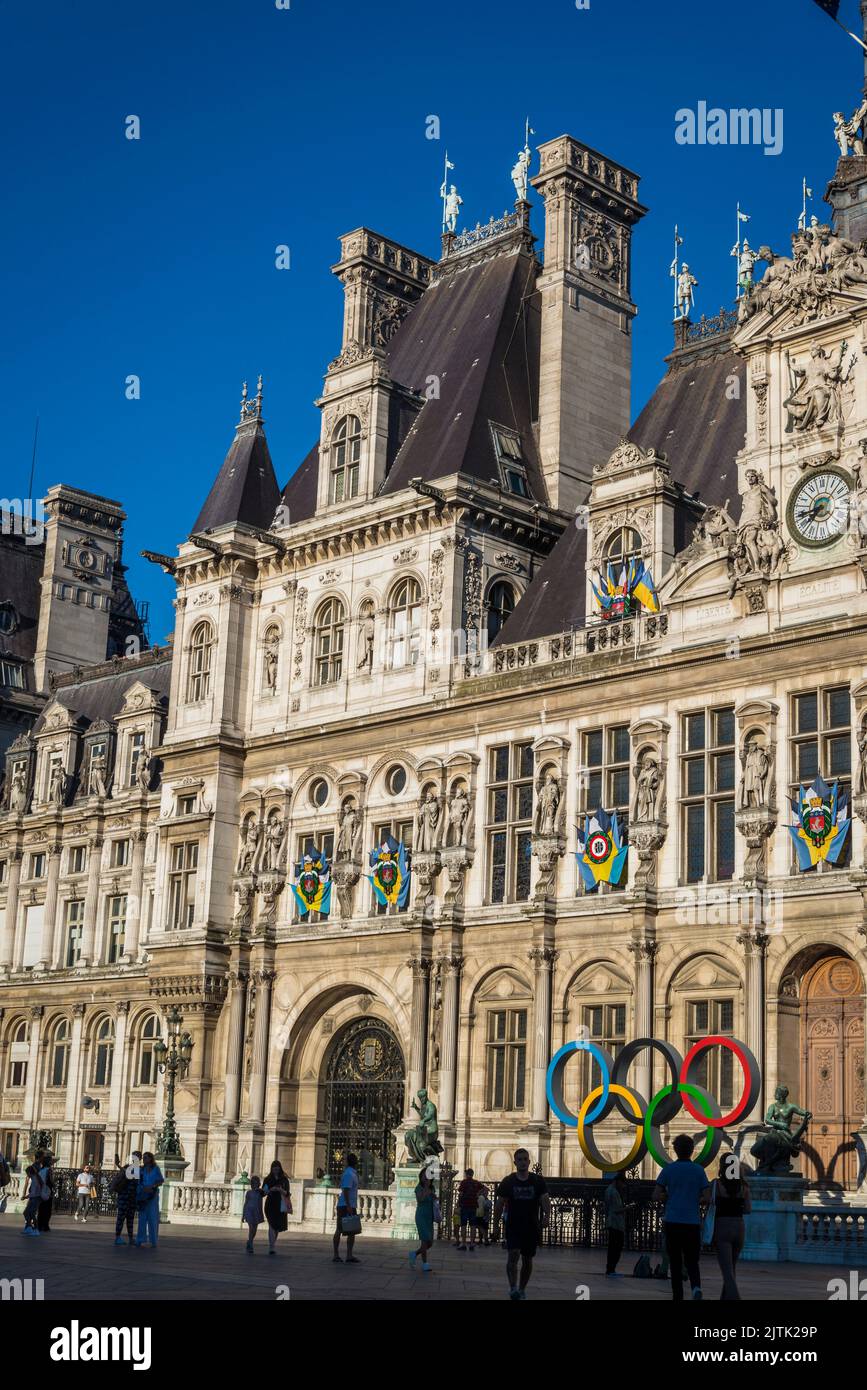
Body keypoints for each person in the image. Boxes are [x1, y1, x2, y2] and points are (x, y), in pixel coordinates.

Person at [652, 1133, 712, 1301]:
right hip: (691, 1222)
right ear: (692, 1151)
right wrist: (695, 1199)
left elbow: (656, 1195)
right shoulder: (699, 1170)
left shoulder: (668, 1170)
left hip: (672, 1221)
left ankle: (677, 1295)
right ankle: (696, 1287)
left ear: (676, 1150)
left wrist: (668, 1197)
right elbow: (707, 1197)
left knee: (675, 1261)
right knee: (692, 1260)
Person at [495, 1149, 549, 1301]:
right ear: (515, 1162)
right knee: (513, 1255)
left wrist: (547, 1215)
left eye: (525, 1159)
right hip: (513, 1225)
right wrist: (496, 1224)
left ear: (529, 1162)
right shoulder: (508, 1181)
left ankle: (522, 1288)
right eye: (520, 1159)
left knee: (527, 1259)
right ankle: (513, 1287)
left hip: (531, 1226)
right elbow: (499, 1203)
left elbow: (545, 1198)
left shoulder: (537, 1181)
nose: (523, 1162)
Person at [713, 1152, 751, 1301]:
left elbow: (708, 1202)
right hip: (739, 1227)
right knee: (731, 1268)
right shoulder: (744, 1186)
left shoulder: (717, 1184)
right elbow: (748, 1209)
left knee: (727, 1271)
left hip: (722, 1225)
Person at [333, 1152, 360, 1264]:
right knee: (339, 1229)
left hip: (349, 1205)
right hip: (345, 1205)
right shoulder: (349, 1174)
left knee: (352, 1231)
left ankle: (349, 1255)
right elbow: (346, 1190)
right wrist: (349, 1206)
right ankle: (336, 1255)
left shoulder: (352, 1173)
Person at [134, 1152, 164, 1248]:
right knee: (142, 1218)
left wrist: (153, 1186)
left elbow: (161, 1180)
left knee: (152, 1217)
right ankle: (140, 1239)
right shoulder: (141, 1169)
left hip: (152, 1195)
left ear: (150, 1159)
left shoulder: (156, 1169)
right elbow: (136, 1179)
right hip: (143, 1194)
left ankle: (153, 1240)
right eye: (143, 1158)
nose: (144, 1159)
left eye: (146, 1158)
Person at [262, 1160, 292, 1256]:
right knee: (271, 1224)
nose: (276, 1170)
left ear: (280, 1169)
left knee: (277, 1227)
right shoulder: (268, 1179)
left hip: (280, 1204)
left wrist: (280, 1190)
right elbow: (263, 1192)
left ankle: (272, 1244)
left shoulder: (284, 1180)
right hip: (270, 1204)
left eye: (277, 1168)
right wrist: (270, 1189)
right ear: (272, 1169)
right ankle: (272, 1247)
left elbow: (287, 1193)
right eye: (274, 1168)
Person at [409, 1165, 435, 1272]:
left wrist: (434, 1197)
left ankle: (414, 1254)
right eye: (424, 1176)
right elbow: (420, 1199)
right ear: (421, 1177)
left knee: (430, 1243)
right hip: (421, 1216)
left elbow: (432, 1200)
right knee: (424, 1241)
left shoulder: (432, 1188)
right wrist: (425, 1188)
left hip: (429, 1216)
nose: (426, 1178)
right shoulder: (418, 1188)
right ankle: (425, 1264)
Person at [112, 1152, 141, 1245]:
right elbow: (130, 1177)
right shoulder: (131, 1168)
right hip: (125, 1196)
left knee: (130, 1218)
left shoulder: (133, 1168)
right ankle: (118, 1237)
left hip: (130, 1197)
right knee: (122, 1217)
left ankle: (130, 1238)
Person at [604, 1172, 628, 1277]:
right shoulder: (614, 1192)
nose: (623, 1186)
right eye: (623, 1184)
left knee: (612, 1247)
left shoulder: (609, 1190)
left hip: (611, 1221)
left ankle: (610, 1269)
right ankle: (611, 1269)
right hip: (616, 1223)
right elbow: (617, 1209)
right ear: (618, 1181)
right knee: (616, 1247)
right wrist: (628, 1208)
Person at [456, 1167, 484, 1251]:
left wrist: (458, 1203)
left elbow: (460, 1194)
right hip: (473, 1206)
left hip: (464, 1206)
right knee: (473, 1226)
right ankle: (472, 1243)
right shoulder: (476, 1182)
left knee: (463, 1225)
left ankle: (463, 1244)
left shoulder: (464, 1182)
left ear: (466, 1174)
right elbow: (485, 1188)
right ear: (472, 1174)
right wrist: (478, 1194)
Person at [21, 1157, 45, 1236]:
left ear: (30, 1173)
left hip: (35, 1198)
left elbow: (34, 1192)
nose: (27, 1175)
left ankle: (35, 1229)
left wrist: (25, 1197)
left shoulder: (35, 1179)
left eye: (27, 1173)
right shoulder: (35, 1178)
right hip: (34, 1198)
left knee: (31, 1213)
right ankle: (29, 1227)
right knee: (26, 1213)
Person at [243, 1175, 265, 1254]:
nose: (254, 1185)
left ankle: (249, 1241)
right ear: (251, 1184)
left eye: (256, 1183)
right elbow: (245, 1203)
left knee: (254, 1230)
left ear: (258, 1184)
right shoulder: (248, 1193)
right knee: (251, 1228)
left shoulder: (260, 1192)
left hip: (256, 1212)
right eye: (253, 1183)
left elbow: (266, 1191)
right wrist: (243, 1215)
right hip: (249, 1212)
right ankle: (251, 1245)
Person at [37, 1153, 55, 1232]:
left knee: (41, 1208)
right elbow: (51, 1181)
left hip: (41, 1190)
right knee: (47, 1209)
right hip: (47, 1190)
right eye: (51, 1160)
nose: (52, 1161)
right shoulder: (49, 1170)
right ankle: (45, 1225)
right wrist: (54, 1184)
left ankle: (39, 1224)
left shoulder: (41, 1169)